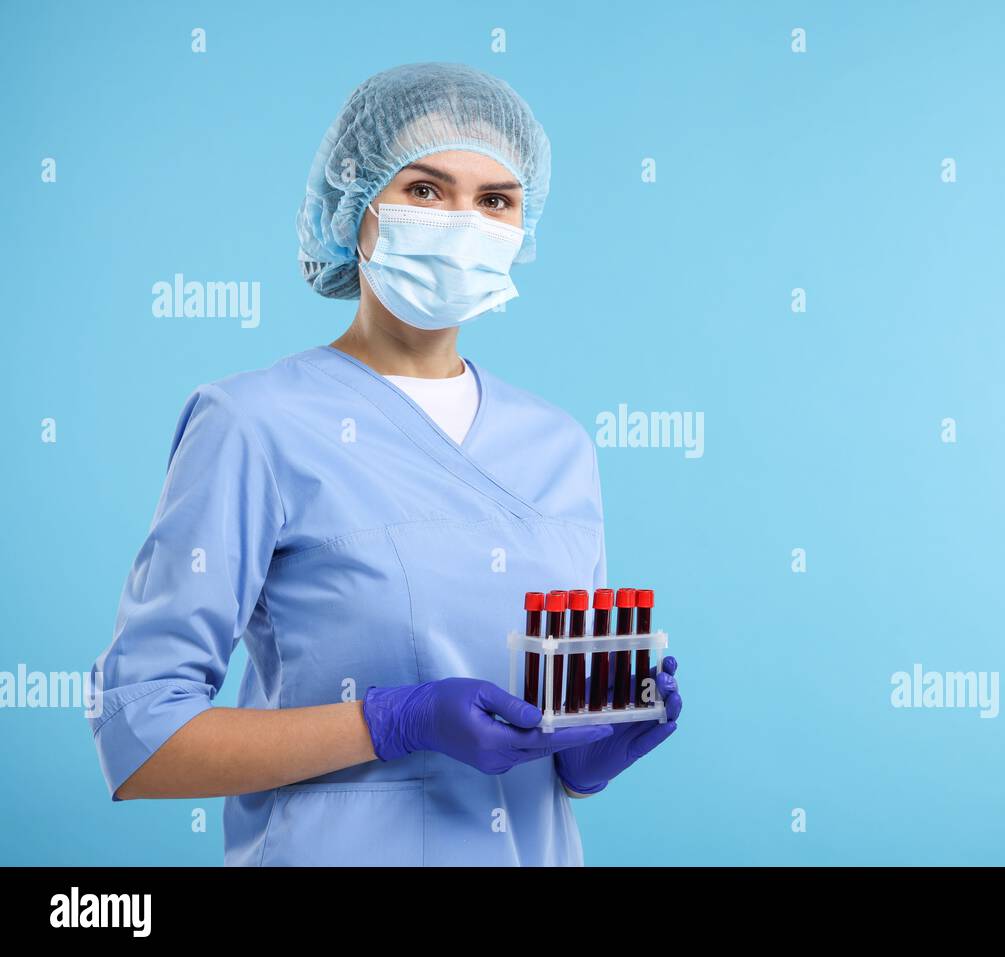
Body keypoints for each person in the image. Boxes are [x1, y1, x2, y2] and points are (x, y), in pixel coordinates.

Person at [87, 62, 683, 867]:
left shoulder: (560, 445)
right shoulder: (256, 423)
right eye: (427, 191)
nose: (464, 223)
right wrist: (389, 721)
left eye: (496, 200)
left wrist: (586, 756)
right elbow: (141, 736)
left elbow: (543, 735)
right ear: (354, 206)